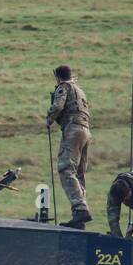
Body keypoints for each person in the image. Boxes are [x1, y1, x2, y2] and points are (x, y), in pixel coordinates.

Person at [45, 65, 93, 229]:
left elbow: (58, 106)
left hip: (72, 130)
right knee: (79, 173)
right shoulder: (80, 91)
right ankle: (79, 217)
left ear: (58, 77)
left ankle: (80, 208)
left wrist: (49, 118)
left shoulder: (63, 87)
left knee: (66, 169)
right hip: (85, 132)